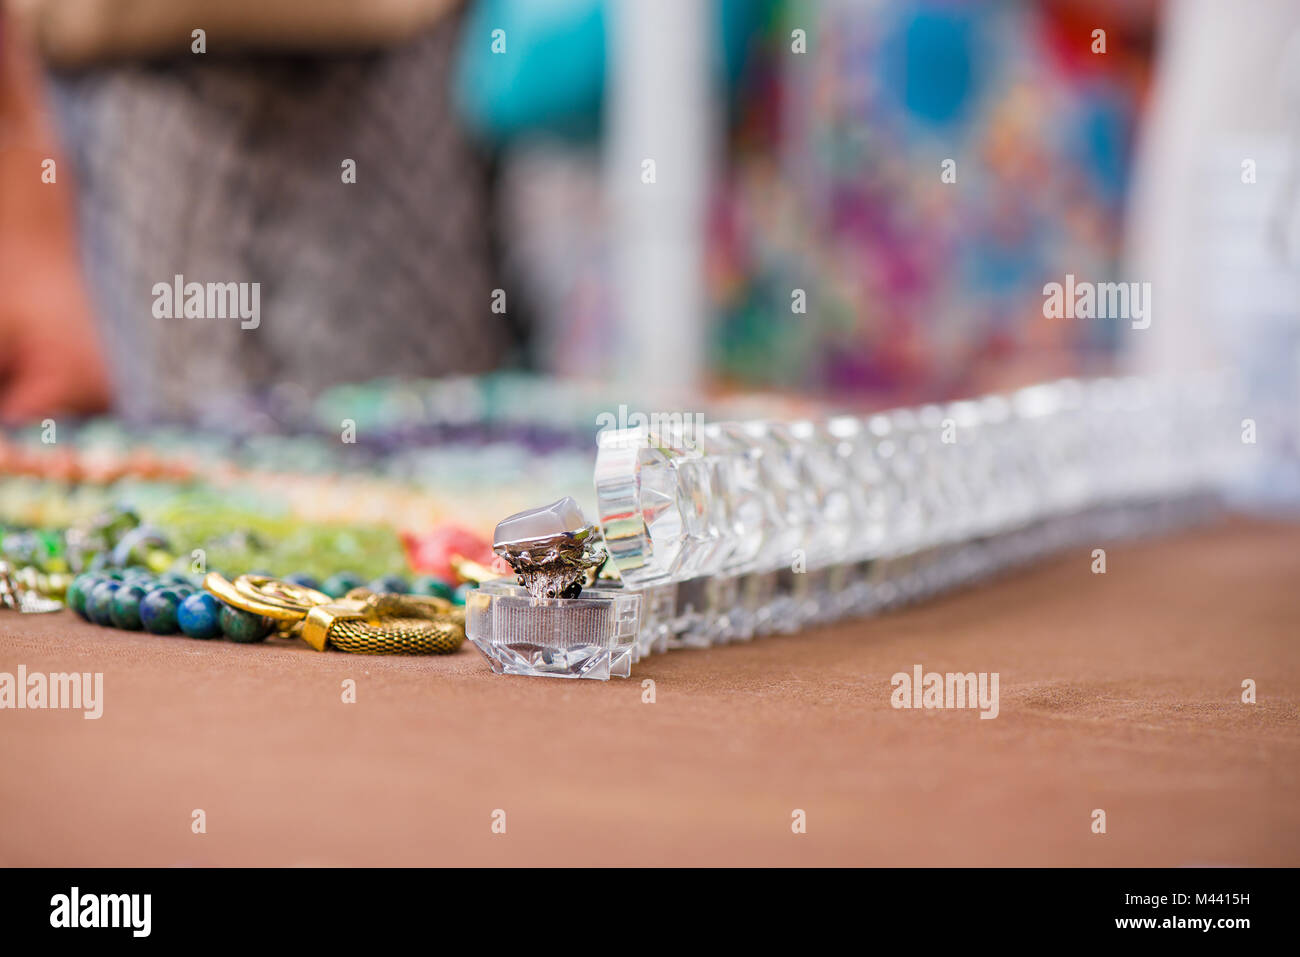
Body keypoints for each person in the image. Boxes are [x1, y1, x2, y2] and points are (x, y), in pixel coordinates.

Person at [1, 0, 513, 424]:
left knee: (418, 459)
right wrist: (35, 230)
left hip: (392, 63)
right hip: (129, 77)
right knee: (180, 467)